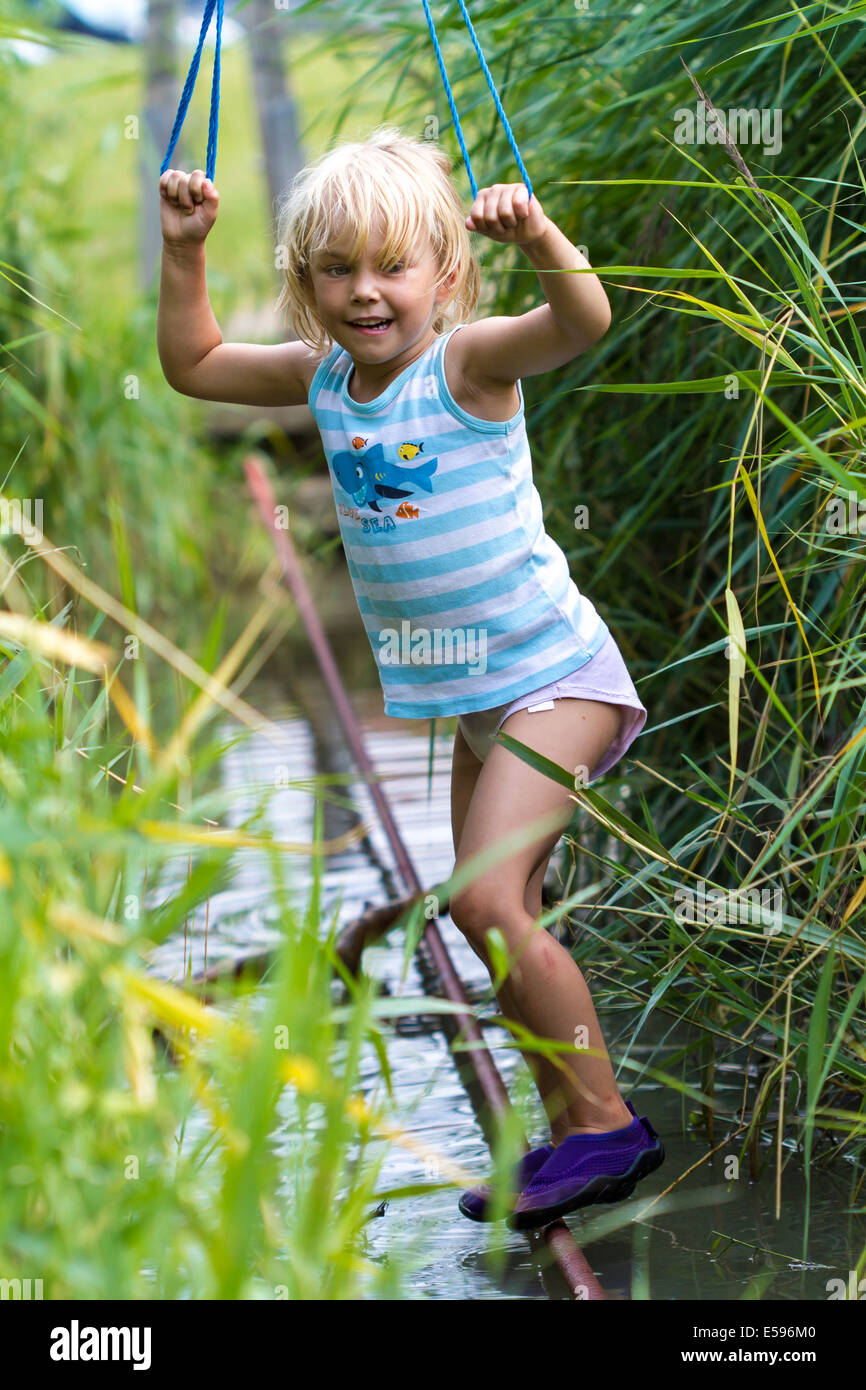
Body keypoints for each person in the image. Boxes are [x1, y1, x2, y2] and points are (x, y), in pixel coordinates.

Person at [156, 124, 664, 1230]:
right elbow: (192, 365)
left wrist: (538, 237)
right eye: (335, 269)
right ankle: (565, 1132)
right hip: (478, 705)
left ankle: (605, 1125)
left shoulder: (466, 362)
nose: (365, 292)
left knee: (484, 896)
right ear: (303, 283)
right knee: (499, 914)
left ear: (446, 274)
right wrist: (187, 251)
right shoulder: (323, 379)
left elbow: (582, 321)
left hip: (555, 679)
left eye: (392, 266)